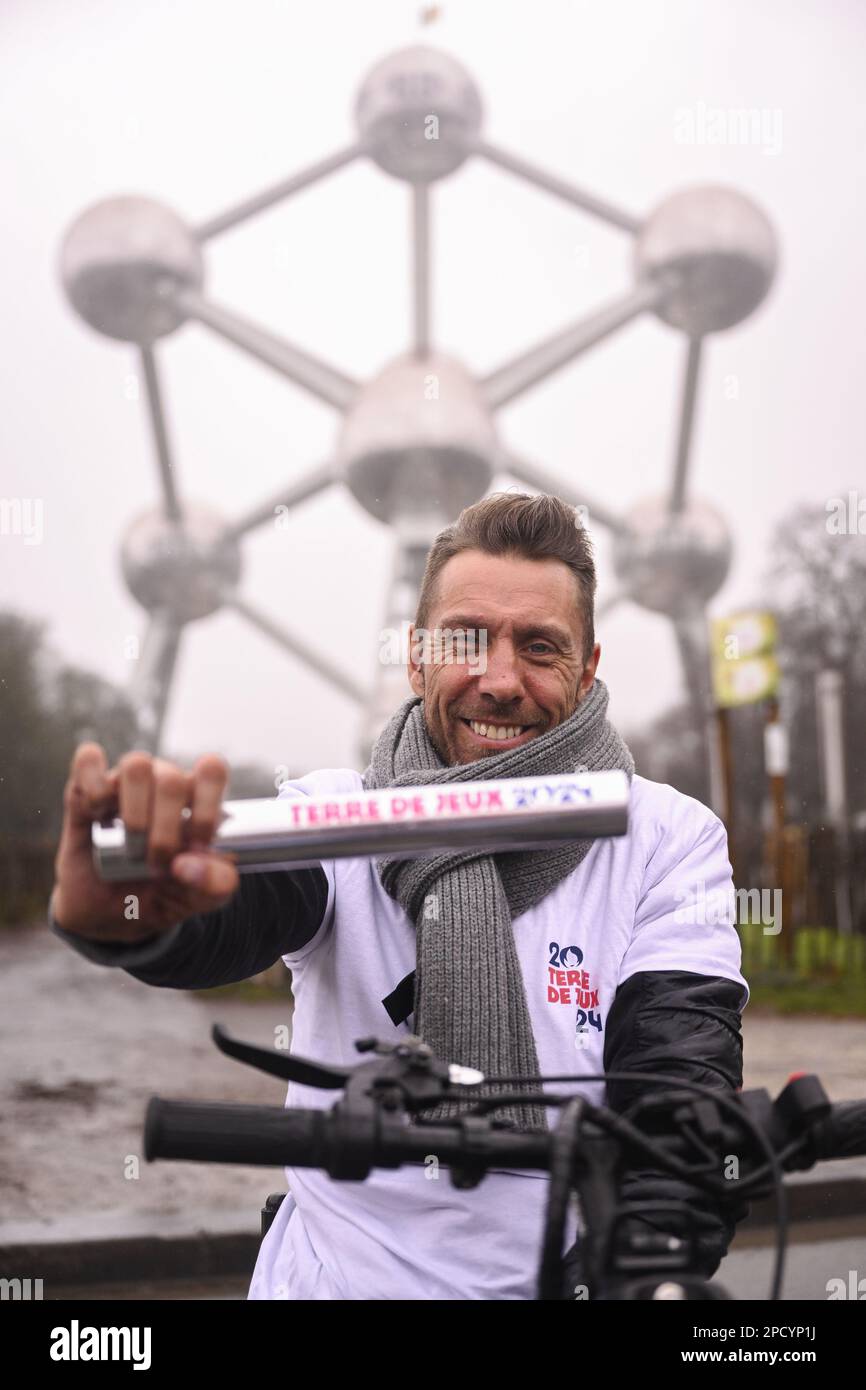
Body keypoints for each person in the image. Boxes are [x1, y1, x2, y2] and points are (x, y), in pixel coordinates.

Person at [48, 491, 749, 1300]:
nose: (499, 679)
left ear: (588, 667)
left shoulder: (667, 838)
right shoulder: (334, 816)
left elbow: (680, 1089)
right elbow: (234, 912)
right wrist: (131, 918)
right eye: (465, 640)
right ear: (415, 657)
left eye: (541, 647)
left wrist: (634, 1270)